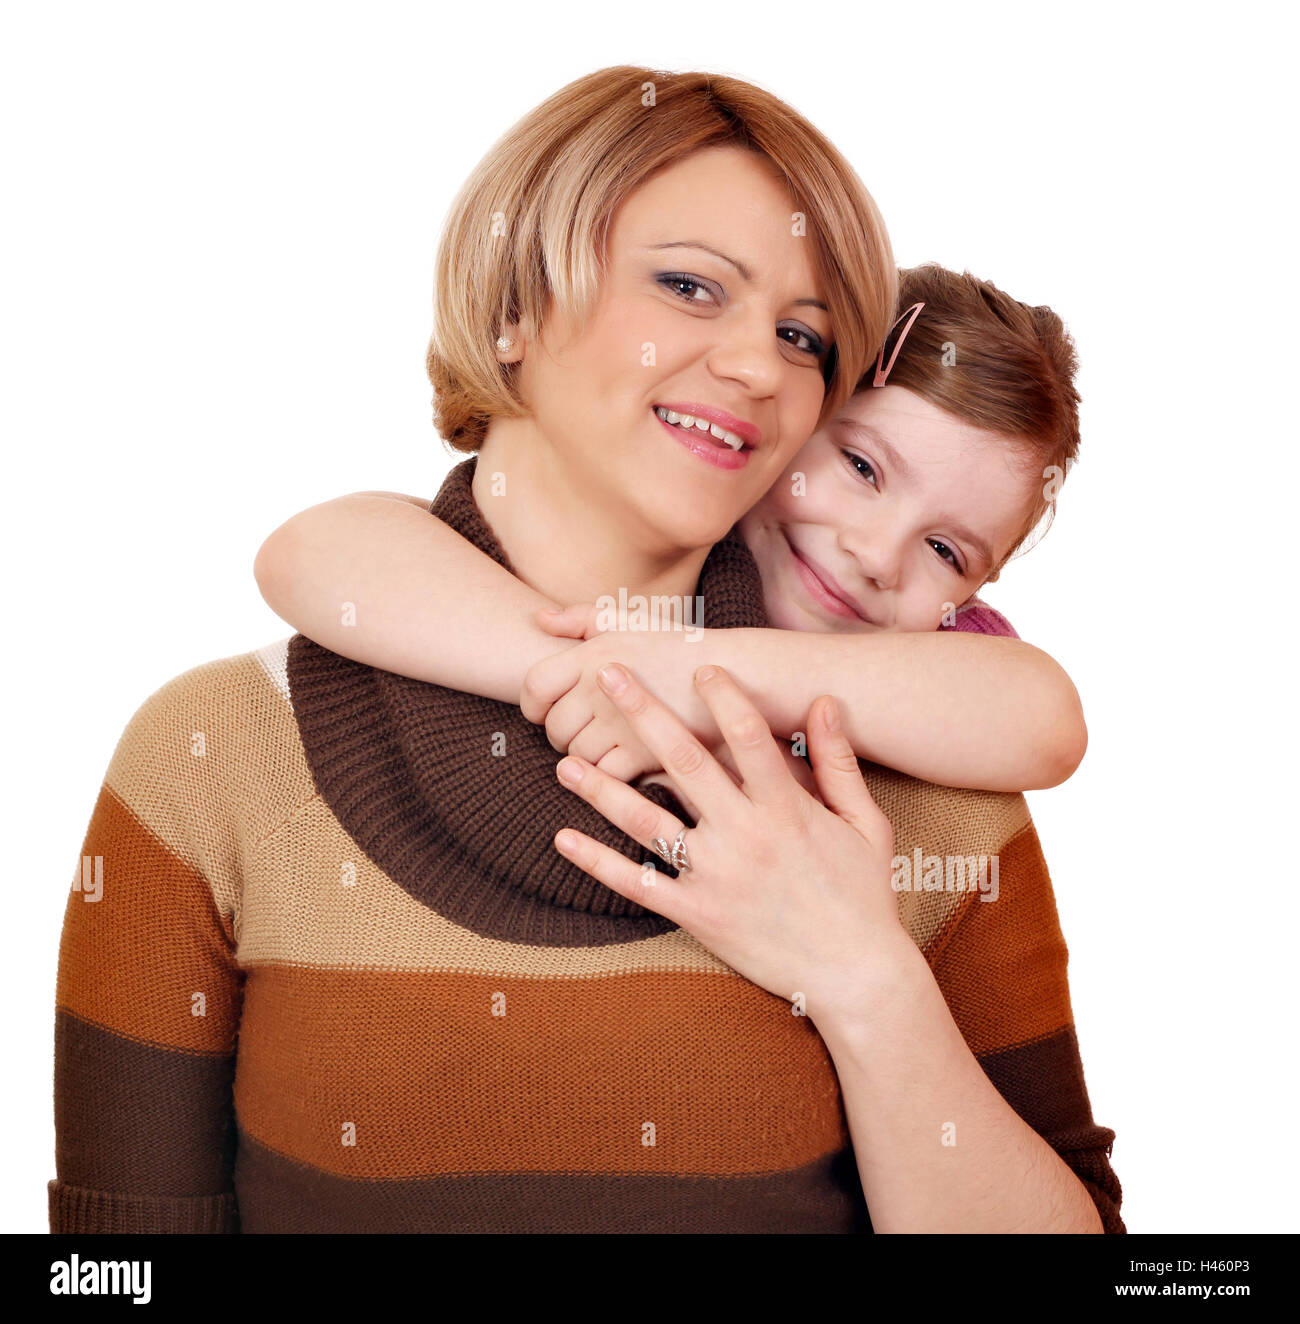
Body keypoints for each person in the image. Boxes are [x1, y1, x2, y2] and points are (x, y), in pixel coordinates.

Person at [49, 66, 1120, 1233]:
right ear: (515, 302)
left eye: (803, 338)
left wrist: (865, 981)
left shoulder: (921, 782)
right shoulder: (212, 757)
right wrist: (618, 671)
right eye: (688, 284)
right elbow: (114, 1263)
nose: (760, 366)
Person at [254, 264, 1088, 796]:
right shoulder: (675, 535)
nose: (876, 556)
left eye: (946, 552)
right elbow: (311, 550)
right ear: (790, 420)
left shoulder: (942, 658)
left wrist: (703, 673)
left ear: (976, 593)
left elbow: (1046, 721)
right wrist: (612, 673)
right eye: (862, 469)